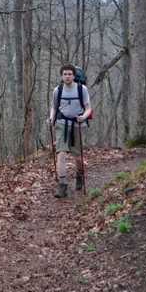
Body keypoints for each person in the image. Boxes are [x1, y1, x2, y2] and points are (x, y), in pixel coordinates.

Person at [48, 64, 91, 198]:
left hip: (78, 125)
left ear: (74, 75)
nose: (67, 76)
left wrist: (83, 117)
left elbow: (88, 108)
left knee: (77, 156)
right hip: (62, 124)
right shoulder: (58, 90)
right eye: (65, 74)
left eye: (70, 74)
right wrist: (51, 118)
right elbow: (54, 107)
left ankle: (80, 174)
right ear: (62, 76)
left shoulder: (82, 89)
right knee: (61, 153)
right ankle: (62, 185)